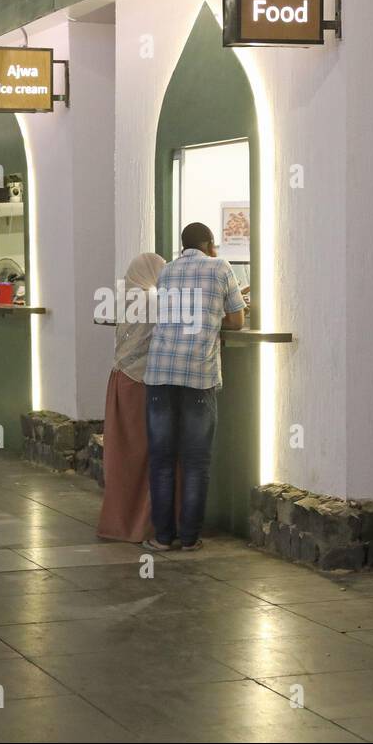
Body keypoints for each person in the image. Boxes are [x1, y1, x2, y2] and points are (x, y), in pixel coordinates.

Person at [141, 223, 246, 552]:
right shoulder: (221, 268)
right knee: (196, 461)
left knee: (161, 460)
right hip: (197, 375)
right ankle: (189, 538)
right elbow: (236, 321)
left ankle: (162, 538)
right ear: (209, 244)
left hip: (159, 371)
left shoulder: (167, 271)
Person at [96, 253, 167, 542]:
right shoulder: (154, 302)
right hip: (142, 383)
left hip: (120, 380)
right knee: (145, 455)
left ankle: (118, 522)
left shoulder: (125, 296)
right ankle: (140, 525)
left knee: (123, 454)